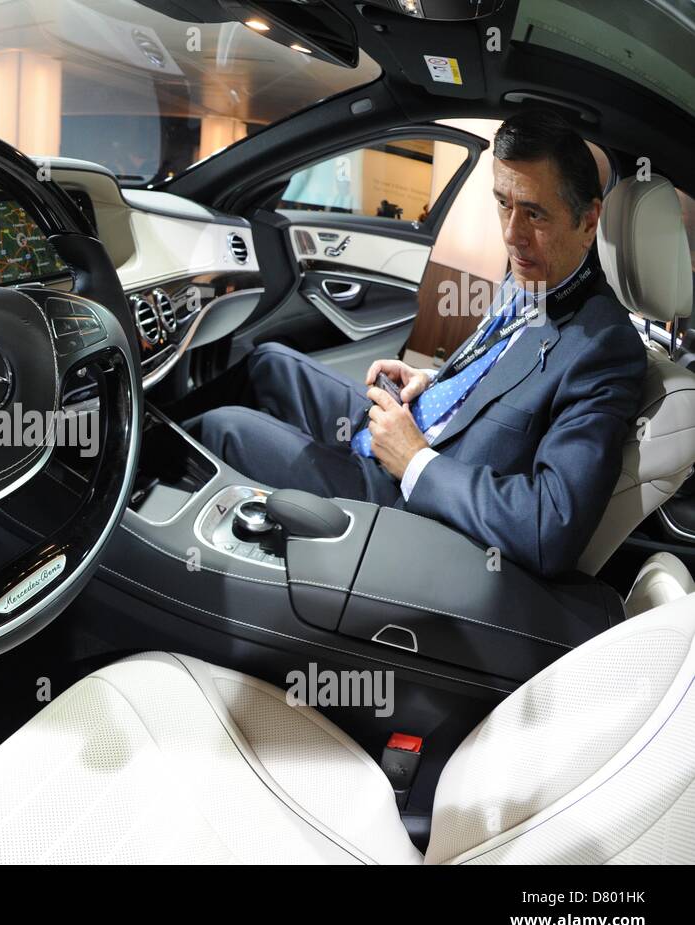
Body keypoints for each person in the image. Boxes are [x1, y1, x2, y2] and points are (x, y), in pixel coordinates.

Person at [192, 109, 646, 578]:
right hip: (414, 423)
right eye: (503, 204)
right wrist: (429, 379)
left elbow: (549, 526)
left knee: (227, 428)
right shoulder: (537, 274)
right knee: (268, 364)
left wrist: (415, 461)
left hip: (407, 501)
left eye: (534, 213)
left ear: (588, 219)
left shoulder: (605, 349)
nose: (512, 235)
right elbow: (497, 371)